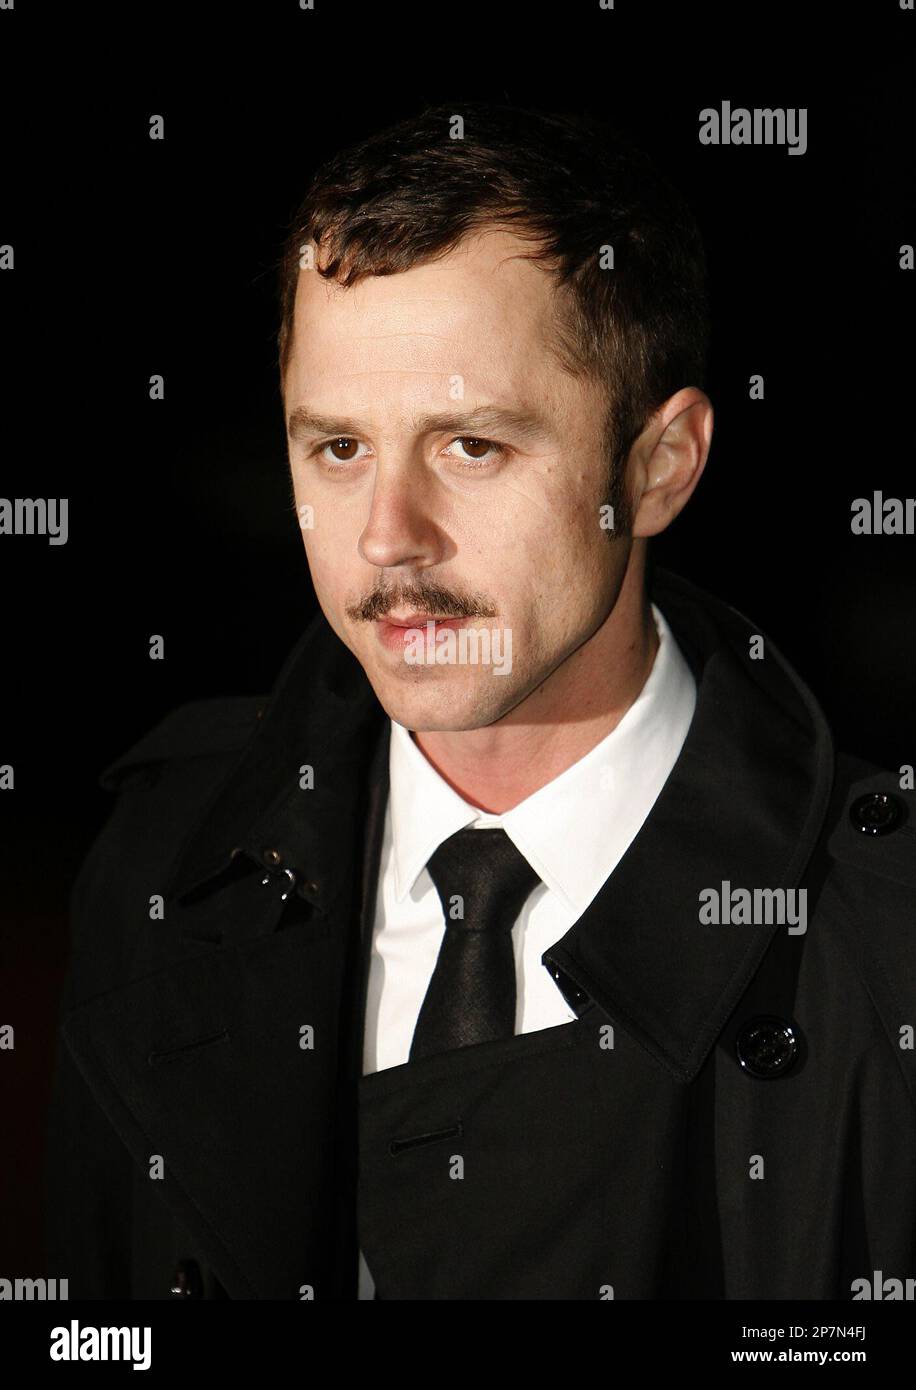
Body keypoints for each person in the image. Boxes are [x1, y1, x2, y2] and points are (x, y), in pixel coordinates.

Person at [45, 103, 916, 1300]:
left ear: (658, 467)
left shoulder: (882, 941)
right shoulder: (167, 853)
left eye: (472, 447)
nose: (387, 538)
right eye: (338, 448)